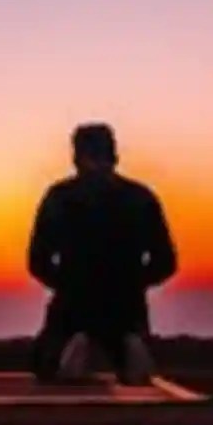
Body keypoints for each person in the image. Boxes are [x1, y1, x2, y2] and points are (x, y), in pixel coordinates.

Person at [27, 123, 177, 385]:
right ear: (114, 155)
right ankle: (131, 346)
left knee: (43, 366)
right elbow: (166, 261)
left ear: (76, 157)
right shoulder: (141, 197)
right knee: (127, 341)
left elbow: (37, 260)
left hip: (74, 301)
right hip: (126, 303)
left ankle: (70, 350)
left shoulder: (60, 197)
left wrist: (67, 283)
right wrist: (134, 283)